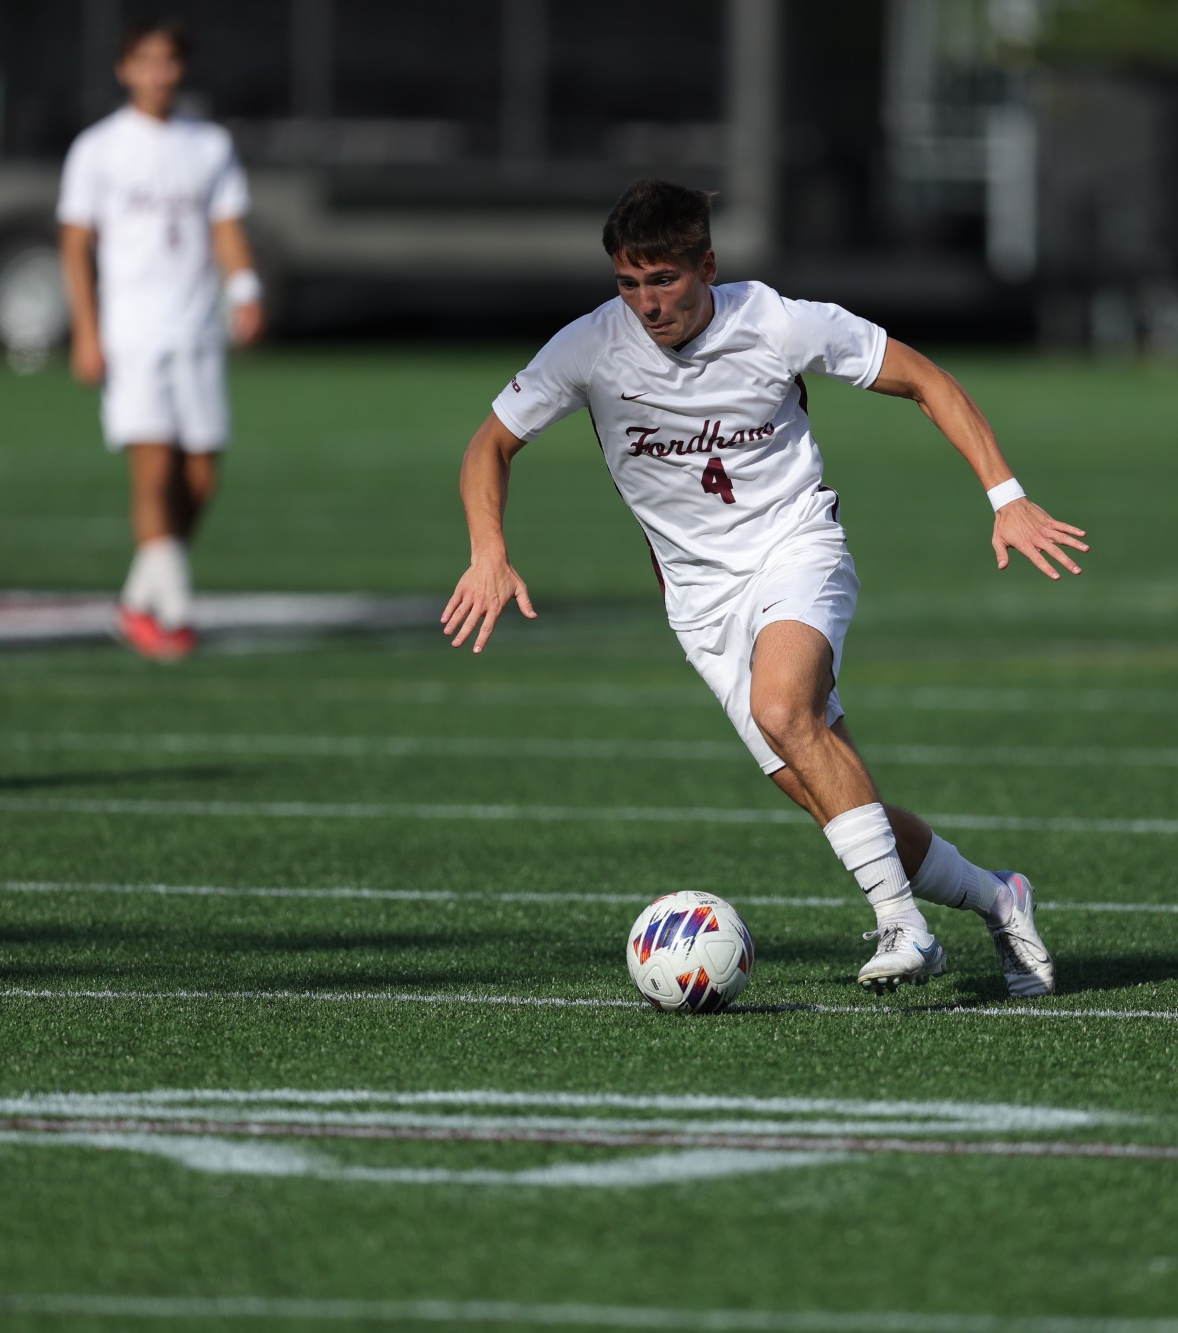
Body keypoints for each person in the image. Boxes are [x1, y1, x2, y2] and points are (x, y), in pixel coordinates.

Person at [441, 180, 1088, 996]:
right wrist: (488, 550)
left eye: (664, 279)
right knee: (834, 796)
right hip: (701, 607)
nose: (647, 303)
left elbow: (926, 379)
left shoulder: (777, 320)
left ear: (705, 264)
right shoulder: (589, 347)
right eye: (629, 284)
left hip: (796, 548)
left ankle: (903, 924)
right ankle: (1000, 896)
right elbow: (489, 444)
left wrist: (1006, 496)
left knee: (783, 707)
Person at [58, 18, 263, 662]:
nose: (158, 72)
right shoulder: (98, 148)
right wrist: (87, 330)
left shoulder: (208, 144)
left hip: (197, 329)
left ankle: (136, 599)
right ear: (124, 69)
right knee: (153, 470)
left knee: (200, 474)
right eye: (145, 60)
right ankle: (173, 610)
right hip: (133, 333)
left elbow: (226, 225)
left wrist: (246, 291)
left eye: (168, 60)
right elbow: (75, 243)